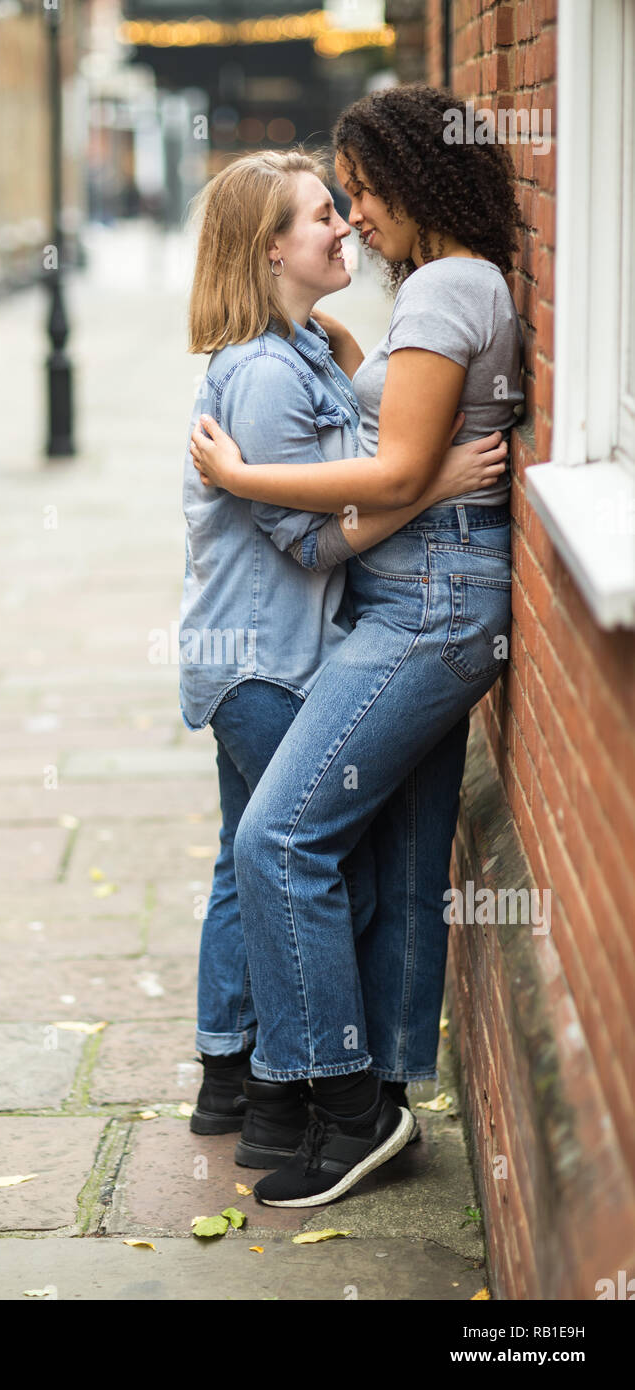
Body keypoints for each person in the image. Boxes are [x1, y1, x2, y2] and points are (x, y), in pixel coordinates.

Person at [189, 85, 523, 1207]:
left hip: (424, 606)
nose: (354, 216)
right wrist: (338, 345)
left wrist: (238, 477)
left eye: (363, 191)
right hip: (412, 601)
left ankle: (344, 1097)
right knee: (386, 857)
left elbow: (387, 473)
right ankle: (360, 1090)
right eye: (334, 202)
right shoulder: (434, 294)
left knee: (278, 842)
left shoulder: (442, 291)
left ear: (414, 184)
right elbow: (392, 438)